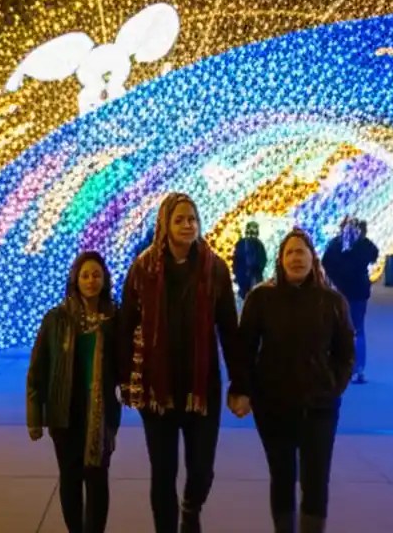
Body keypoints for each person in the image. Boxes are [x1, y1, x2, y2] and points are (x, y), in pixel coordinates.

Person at [118, 192, 242, 533]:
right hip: (158, 391)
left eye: (192, 219)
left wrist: (240, 384)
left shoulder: (214, 268)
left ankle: (191, 507)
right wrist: (123, 379)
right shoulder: (143, 268)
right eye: (180, 219)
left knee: (202, 469)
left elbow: (229, 330)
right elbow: (126, 327)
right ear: (165, 225)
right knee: (163, 471)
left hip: (202, 389)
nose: (188, 225)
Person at [231, 228, 355, 533]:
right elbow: (244, 350)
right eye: (290, 252)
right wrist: (244, 390)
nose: (297, 258)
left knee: (316, 480)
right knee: (282, 477)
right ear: (280, 259)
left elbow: (345, 353)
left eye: (302, 252)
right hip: (273, 406)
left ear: (313, 258)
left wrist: (332, 386)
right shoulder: (261, 298)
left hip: (319, 408)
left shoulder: (333, 301)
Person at [27, 250, 122, 533]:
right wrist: (34, 415)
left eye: (96, 275)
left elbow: (125, 362)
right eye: (85, 275)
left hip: (101, 413)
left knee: (97, 477)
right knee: (70, 477)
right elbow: (38, 368)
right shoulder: (57, 319)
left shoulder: (114, 319)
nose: (91, 280)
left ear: (104, 279)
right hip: (64, 411)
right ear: (75, 280)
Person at [320, 217, 378, 384]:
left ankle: (338, 366)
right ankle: (358, 369)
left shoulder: (335, 245)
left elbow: (326, 264)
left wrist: (333, 279)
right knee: (358, 330)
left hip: (338, 293)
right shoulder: (364, 244)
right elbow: (374, 255)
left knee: (337, 329)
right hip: (359, 293)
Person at [231, 220, 268, 300]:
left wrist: (257, 269)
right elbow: (236, 260)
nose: (252, 232)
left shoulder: (258, 244)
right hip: (243, 276)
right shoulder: (241, 243)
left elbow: (263, 260)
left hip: (254, 276)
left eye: (254, 229)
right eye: (251, 229)